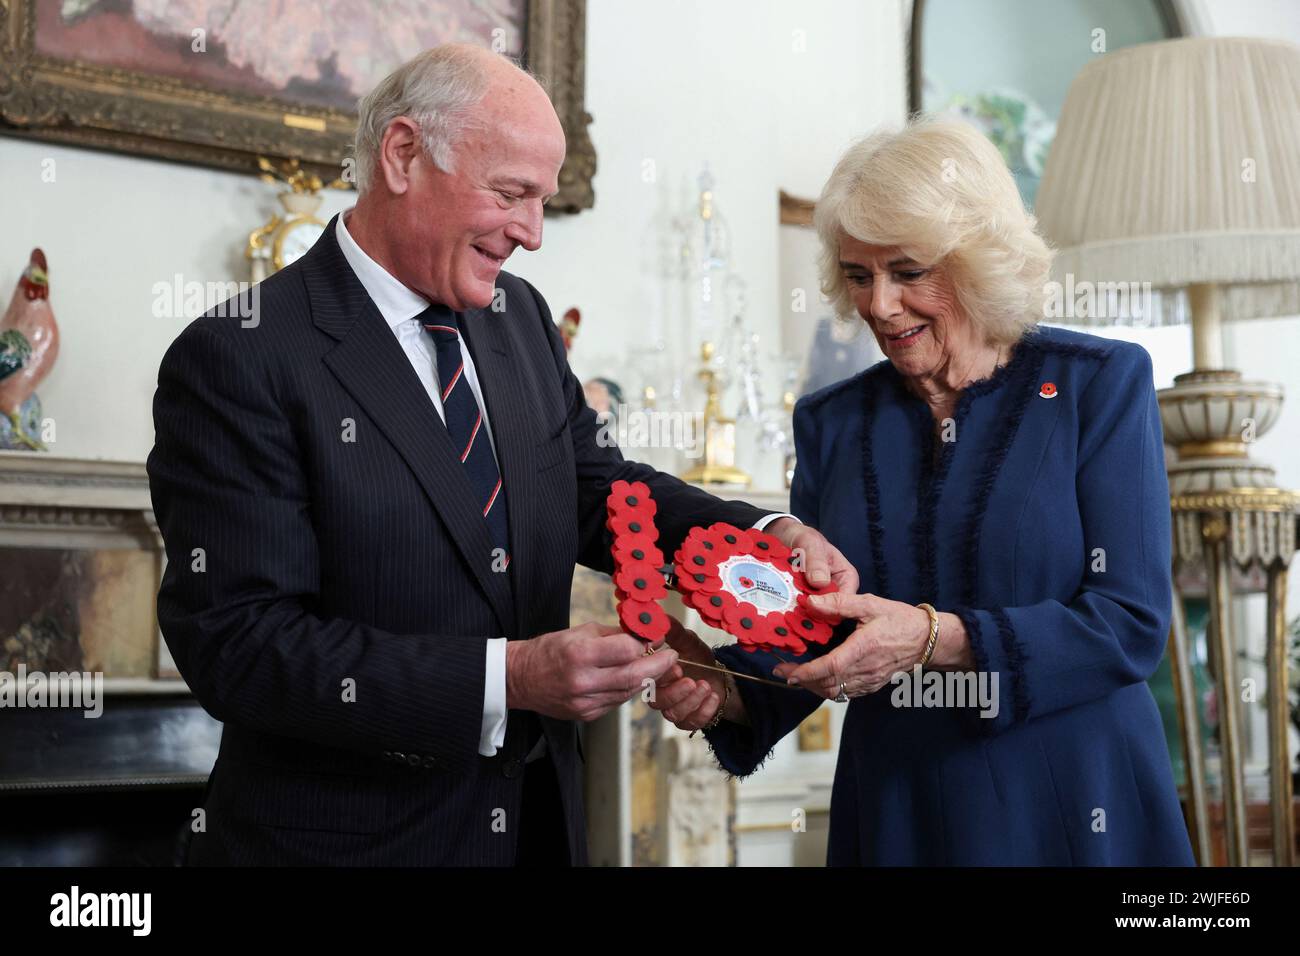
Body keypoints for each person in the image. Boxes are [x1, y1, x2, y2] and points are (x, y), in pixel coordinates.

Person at [147, 44, 854, 866]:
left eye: (543, 201)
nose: (532, 234)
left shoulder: (519, 317)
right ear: (404, 155)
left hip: (534, 833)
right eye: (512, 194)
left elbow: (599, 491)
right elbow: (239, 647)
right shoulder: (241, 354)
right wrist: (506, 680)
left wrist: (766, 536)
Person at [652, 117, 1194, 866]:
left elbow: (1129, 623)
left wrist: (935, 638)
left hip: (1072, 801)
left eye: (907, 272)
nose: (878, 305)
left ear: (976, 261)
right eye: (856, 275)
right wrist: (724, 687)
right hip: (897, 809)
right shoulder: (832, 422)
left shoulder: (1097, 385)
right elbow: (818, 630)